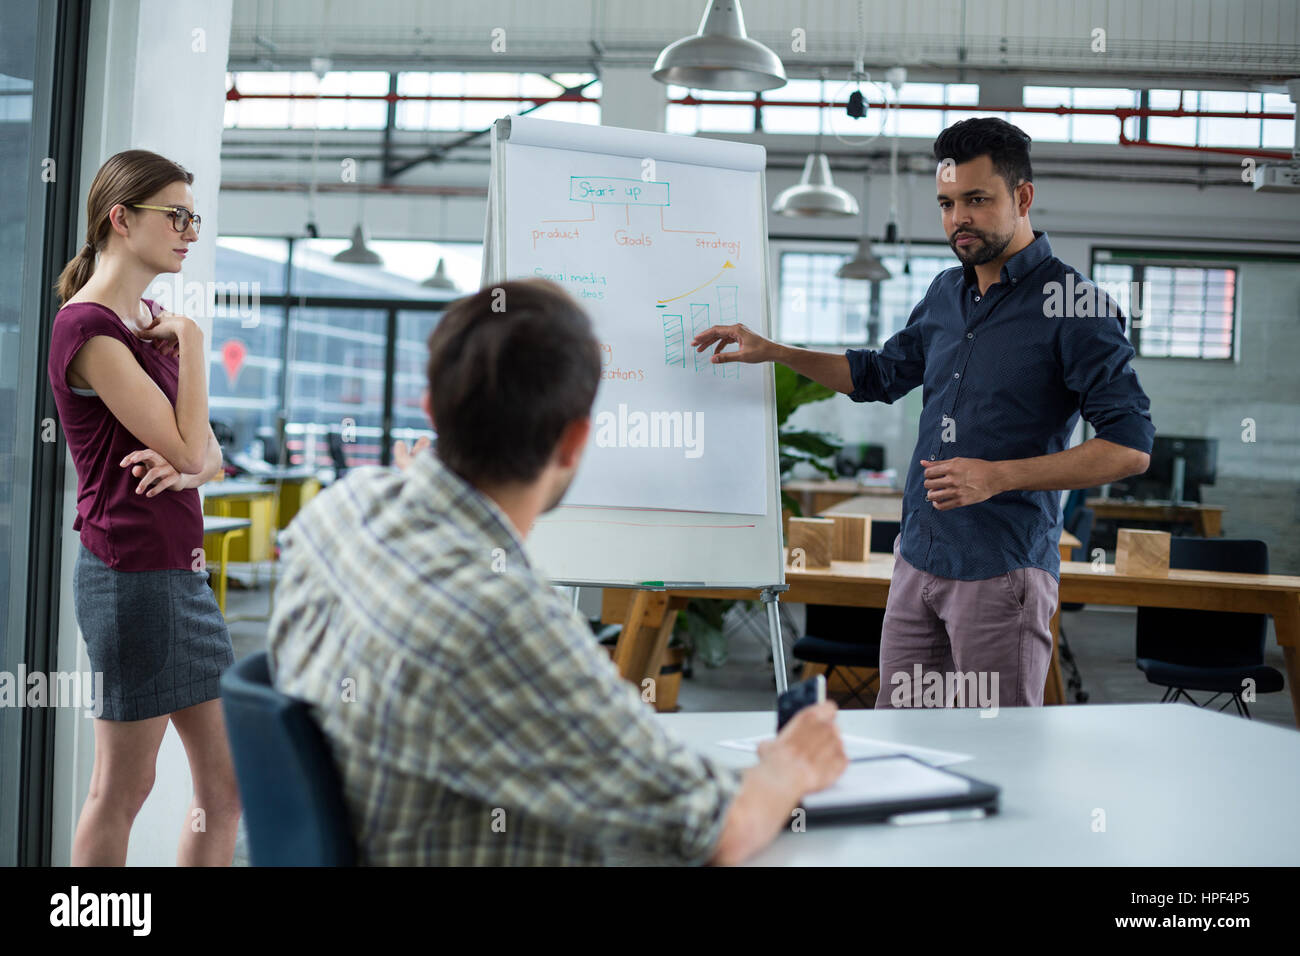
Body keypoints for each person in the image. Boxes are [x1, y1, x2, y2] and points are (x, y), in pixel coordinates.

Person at [267, 278, 846, 865]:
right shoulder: (503, 620)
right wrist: (789, 765)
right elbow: (716, 831)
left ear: (432, 410)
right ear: (574, 443)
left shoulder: (335, 514)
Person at [692, 117, 1155, 710]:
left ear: (1022, 197)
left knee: (997, 748)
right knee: (900, 743)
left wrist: (999, 475)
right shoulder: (945, 292)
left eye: (976, 200)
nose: (957, 218)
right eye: (946, 203)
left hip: (1000, 570)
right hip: (918, 561)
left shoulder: (1077, 306)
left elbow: (1130, 445)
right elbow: (878, 376)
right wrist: (774, 351)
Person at [48, 149, 241, 865]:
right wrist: (192, 342)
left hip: (177, 577)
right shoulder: (91, 331)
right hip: (132, 576)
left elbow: (208, 455)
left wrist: (190, 468)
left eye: (194, 216)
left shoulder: (144, 321)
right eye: (177, 215)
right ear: (120, 219)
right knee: (122, 790)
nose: (190, 230)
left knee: (224, 791)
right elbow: (195, 451)